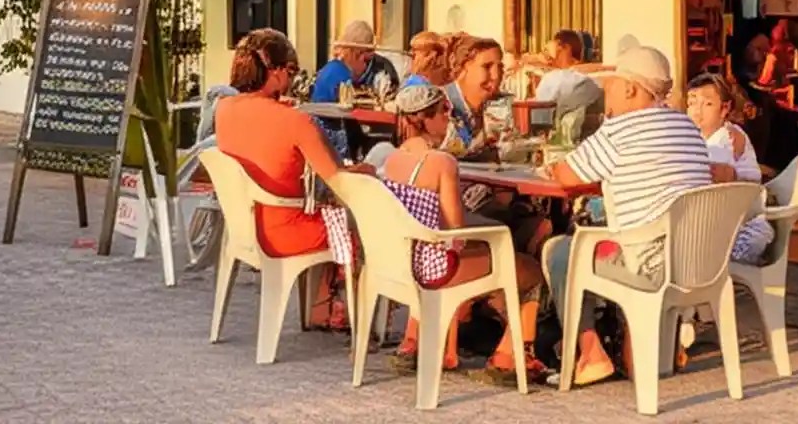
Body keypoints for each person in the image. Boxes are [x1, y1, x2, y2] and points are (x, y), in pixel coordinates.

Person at [542, 46, 713, 385]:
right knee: (600, 243)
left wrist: (551, 166)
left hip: (646, 263)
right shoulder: (687, 126)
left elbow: (566, 176)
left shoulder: (620, 130)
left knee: (561, 252)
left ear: (631, 90)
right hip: (697, 260)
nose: (606, 97)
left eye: (611, 88)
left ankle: (591, 353)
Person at [382, 84, 548, 383]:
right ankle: (510, 357)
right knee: (529, 269)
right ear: (426, 118)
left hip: (400, 263)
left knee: (487, 246)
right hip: (436, 268)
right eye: (444, 113)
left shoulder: (390, 160)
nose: (449, 119)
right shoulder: (441, 163)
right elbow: (454, 234)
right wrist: (492, 233)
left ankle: (413, 342)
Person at [213, 28, 375, 260]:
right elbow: (339, 180)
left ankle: (323, 295)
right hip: (286, 232)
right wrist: (368, 171)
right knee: (364, 224)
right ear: (276, 72)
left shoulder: (224, 109)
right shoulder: (295, 120)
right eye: (292, 72)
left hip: (244, 226)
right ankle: (330, 296)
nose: (291, 81)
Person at [686, 73, 774, 265]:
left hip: (742, 222)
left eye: (707, 104)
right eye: (692, 103)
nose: (697, 110)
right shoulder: (695, 138)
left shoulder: (728, 137)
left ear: (724, 108)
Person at [311, 20, 379, 157]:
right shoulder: (342, 75)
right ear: (355, 54)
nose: (366, 67)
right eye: (365, 61)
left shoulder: (329, 68)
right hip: (332, 137)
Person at [443, 35, 507, 158]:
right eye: (487, 66)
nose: (496, 76)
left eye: (500, 67)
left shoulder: (495, 105)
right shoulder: (441, 106)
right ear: (462, 68)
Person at [534, 29, 603, 139]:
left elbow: (539, 117)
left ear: (564, 47)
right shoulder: (593, 80)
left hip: (553, 136)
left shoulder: (554, 79)